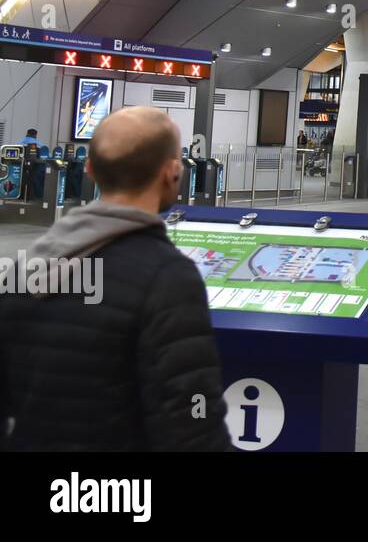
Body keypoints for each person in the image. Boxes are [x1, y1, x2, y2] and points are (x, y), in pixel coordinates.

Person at [0, 106, 231, 451]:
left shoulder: (24, 268)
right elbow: (192, 419)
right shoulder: (168, 278)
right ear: (172, 173)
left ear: (90, 170)